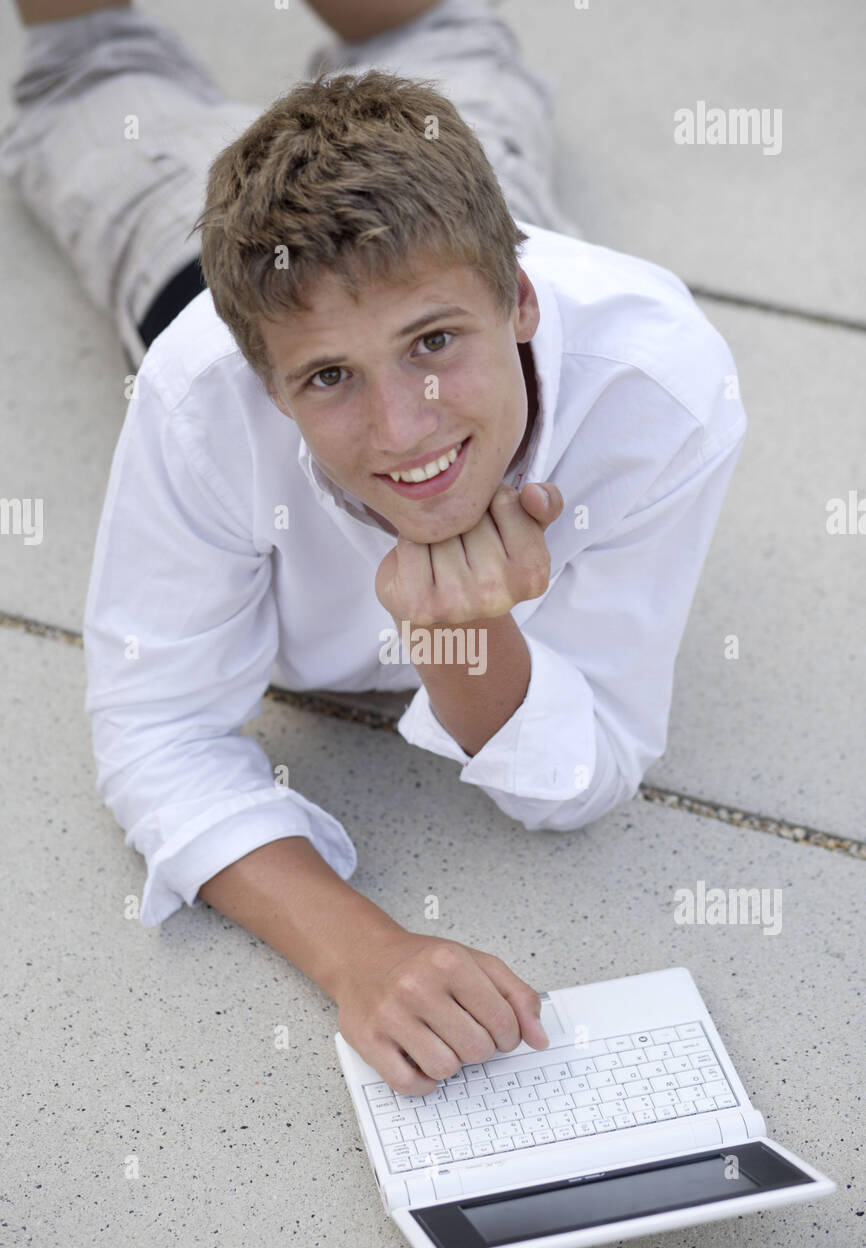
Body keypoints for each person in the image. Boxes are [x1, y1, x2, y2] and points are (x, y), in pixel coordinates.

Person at [1, 0, 747, 1105]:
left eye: (433, 345)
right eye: (327, 379)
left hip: (455, 209)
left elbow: (588, 770)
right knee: (85, 75)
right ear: (267, 386)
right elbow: (155, 728)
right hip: (195, 269)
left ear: (520, 298)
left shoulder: (660, 391)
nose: (402, 431)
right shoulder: (204, 392)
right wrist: (361, 952)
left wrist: (461, 633)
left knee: (450, 50)